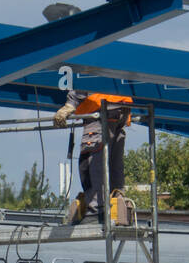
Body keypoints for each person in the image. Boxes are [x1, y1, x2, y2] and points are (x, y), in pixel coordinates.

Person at [54, 91, 132, 224]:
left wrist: (70, 103)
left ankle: (96, 210)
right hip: (120, 108)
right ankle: (118, 208)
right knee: (113, 164)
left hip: (101, 109)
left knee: (90, 164)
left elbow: (85, 76)